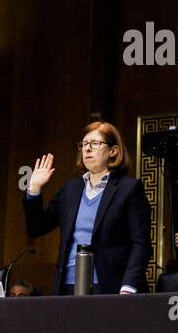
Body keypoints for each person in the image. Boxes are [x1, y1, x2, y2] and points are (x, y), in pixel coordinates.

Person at [23, 121, 152, 295]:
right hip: (68, 285)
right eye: (83, 144)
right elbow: (36, 227)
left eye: (95, 144)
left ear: (113, 151)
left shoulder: (129, 189)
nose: (87, 149)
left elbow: (141, 244)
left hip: (112, 286)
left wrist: (129, 285)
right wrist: (34, 189)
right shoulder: (71, 189)